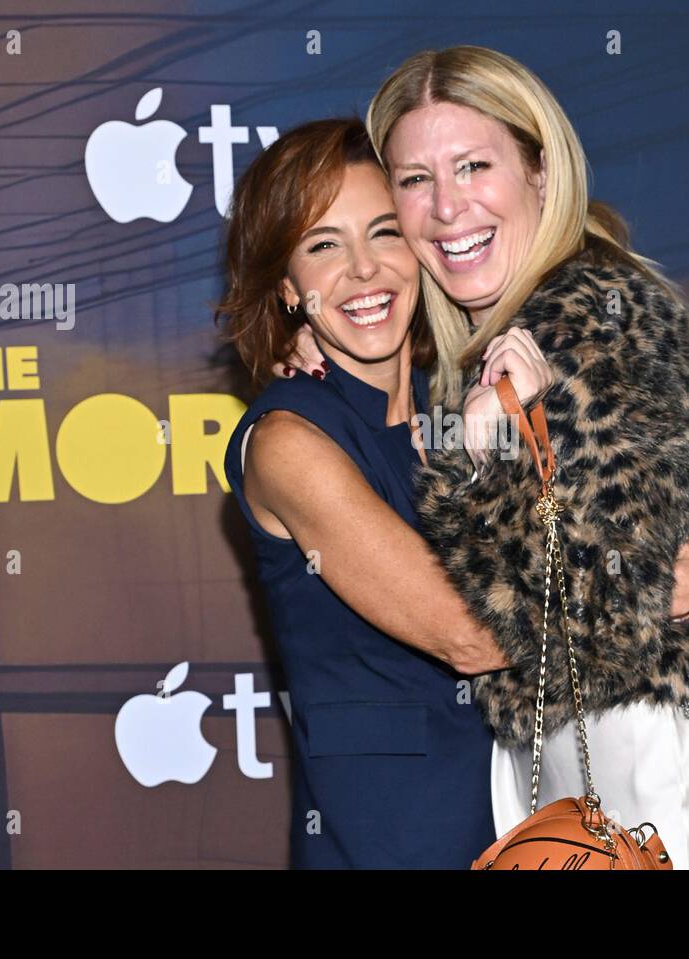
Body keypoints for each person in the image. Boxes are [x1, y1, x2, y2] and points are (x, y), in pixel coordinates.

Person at [282, 46, 689, 867]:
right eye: (413, 180)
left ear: (541, 173)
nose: (446, 208)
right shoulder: (495, 335)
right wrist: (326, 331)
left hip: (641, 758)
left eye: (474, 165)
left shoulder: (588, 321)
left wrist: (670, 584)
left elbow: (506, 614)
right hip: (571, 754)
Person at [217, 117, 550, 868]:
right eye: (323, 246)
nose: (364, 270)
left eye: (384, 233)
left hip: (518, 832)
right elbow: (472, 632)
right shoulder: (288, 443)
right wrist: (667, 587)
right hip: (386, 848)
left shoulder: (464, 410)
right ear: (287, 285)